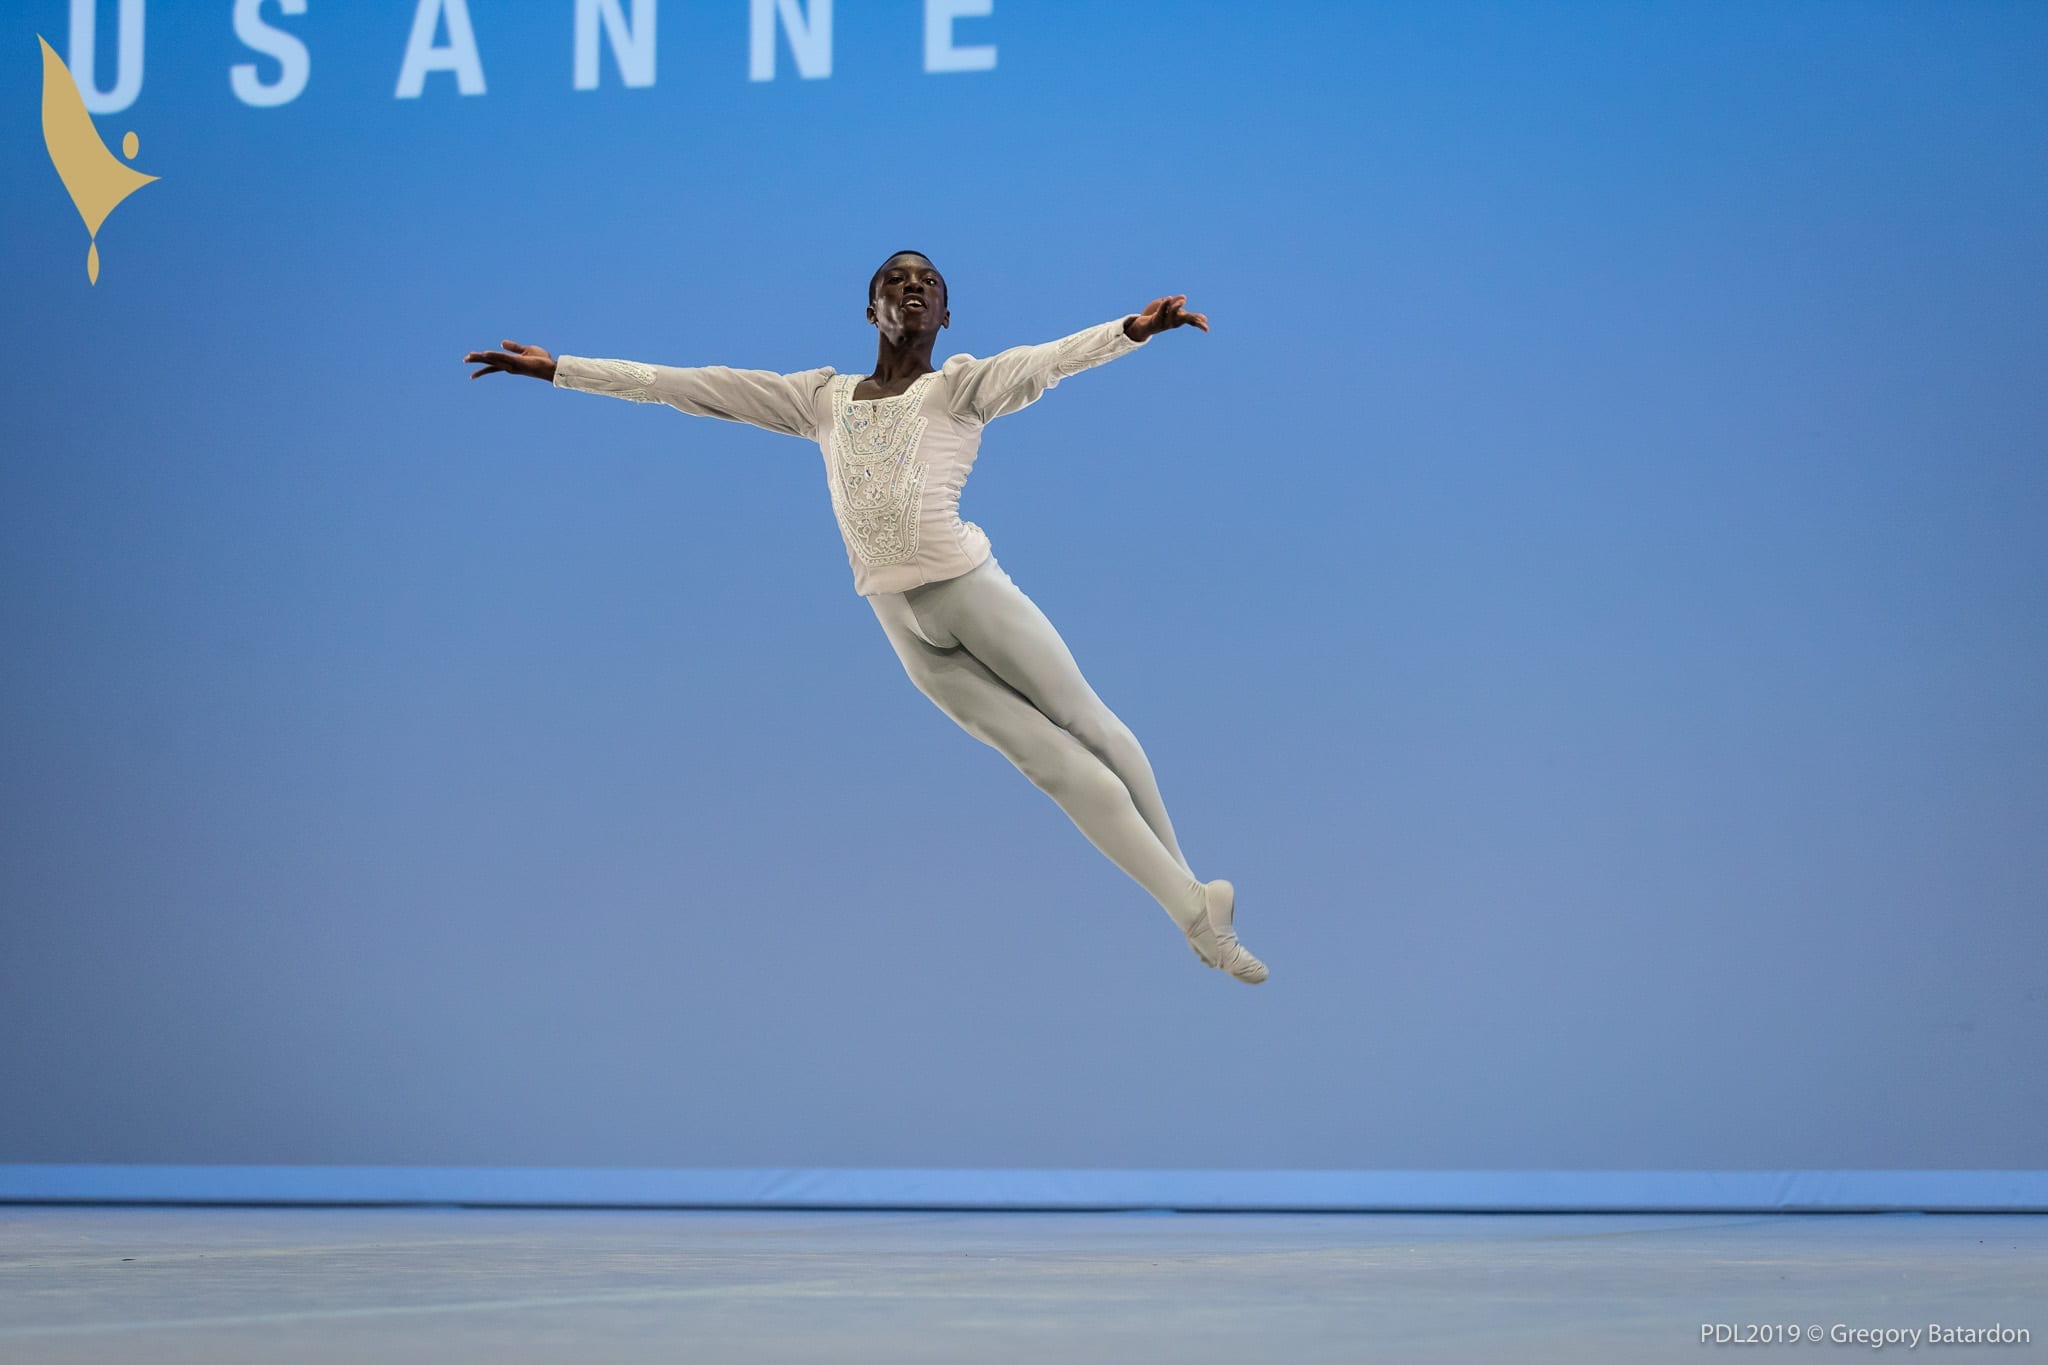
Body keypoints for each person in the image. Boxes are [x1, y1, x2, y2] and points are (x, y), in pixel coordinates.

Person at [461, 251, 1267, 984]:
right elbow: (691, 385)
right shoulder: (821, 400)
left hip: (968, 588)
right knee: (1052, 766)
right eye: (895, 281)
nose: (912, 289)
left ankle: (1194, 894)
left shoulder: (961, 386)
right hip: (901, 624)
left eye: (929, 285)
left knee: (1090, 728)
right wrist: (562, 369)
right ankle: (1195, 914)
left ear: (945, 317)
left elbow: (1050, 362)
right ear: (871, 309)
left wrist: (1132, 330)